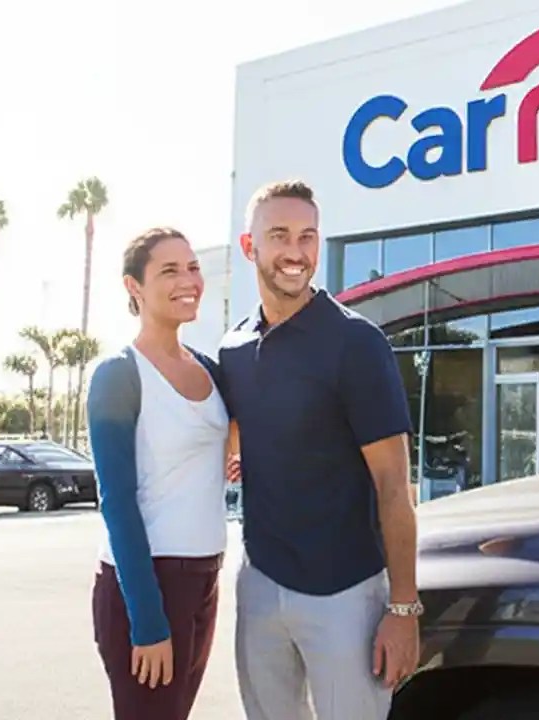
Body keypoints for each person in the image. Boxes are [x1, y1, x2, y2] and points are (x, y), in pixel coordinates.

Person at [217, 179, 421, 719]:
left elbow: (394, 486)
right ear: (249, 246)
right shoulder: (233, 349)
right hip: (260, 584)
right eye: (280, 235)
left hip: (345, 593)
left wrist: (403, 608)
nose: (296, 251)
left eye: (307, 236)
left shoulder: (356, 344)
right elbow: (239, 430)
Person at [86, 227, 231, 719]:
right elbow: (117, 503)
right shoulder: (118, 374)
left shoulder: (210, 369)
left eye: (193, 267)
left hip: (203, 578)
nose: (188, 280)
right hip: (147, 584)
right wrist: (148, 622)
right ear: (134, 287)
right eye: (169, 270)